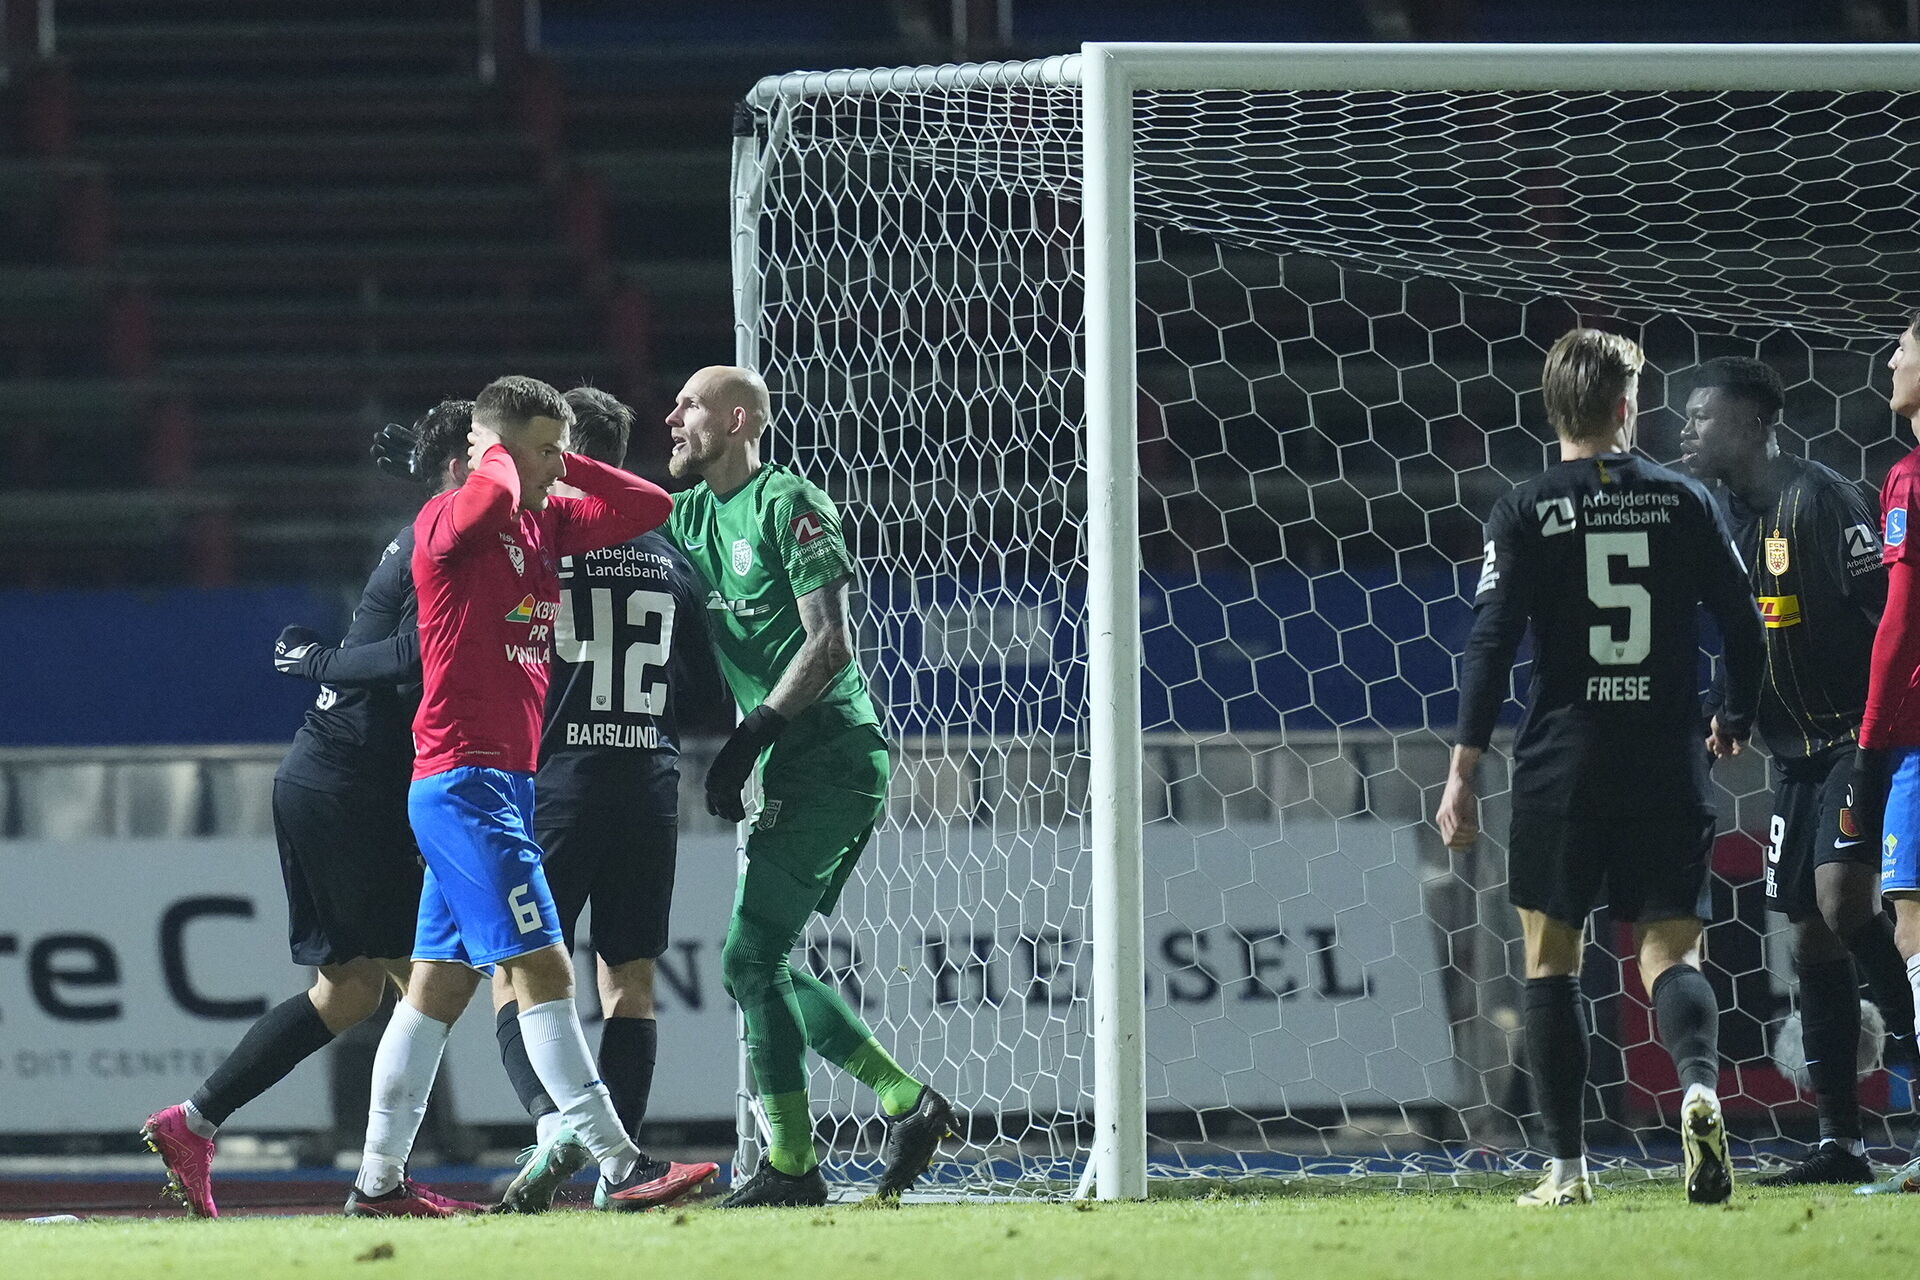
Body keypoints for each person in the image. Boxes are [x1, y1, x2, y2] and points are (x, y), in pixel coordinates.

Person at [1436, 328, 1765, 1208]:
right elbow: (1744, 623)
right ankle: (1699, 1089)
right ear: (1629, 406)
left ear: (1554, 409)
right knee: (1670, 953)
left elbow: (1493, 643)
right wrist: (1733, 714)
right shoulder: (1687, 499)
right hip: (1662, 755)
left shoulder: (1524, 507)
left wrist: (1463, 768)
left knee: (1551, 963)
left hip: (1563, 762)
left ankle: (1568, 1170)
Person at [140, 403, 486, 1219]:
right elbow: (415, 656)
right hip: (351, 783)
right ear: (463, 471)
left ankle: (191, 1124)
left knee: (352, 991)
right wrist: (327, 661)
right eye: (498, 458)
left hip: (333, 776)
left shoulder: (439, 524)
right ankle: (408, 1178)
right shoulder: (448, 535)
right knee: (440, 974)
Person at [346, 375, 674, 1217]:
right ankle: (622, 1163)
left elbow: (649, 506)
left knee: (439, 987)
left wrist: (561, 464)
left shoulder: (543, 520)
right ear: (492, 450)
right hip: (465, 783)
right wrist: (492, 453)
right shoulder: (450, 521)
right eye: (546, 447)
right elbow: (483, 498)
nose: (561, 463)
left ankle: (377, 1182)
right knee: (545, 964)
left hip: (498, 784)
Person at [662, 364, 952, 1207]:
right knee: (758, 963)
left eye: (688, 406)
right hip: (792, 758)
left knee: (751, 959)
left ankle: (798, 1163)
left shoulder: (793, 505)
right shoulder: (688, 516)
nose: (671, 417)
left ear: (740, 419)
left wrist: (749, 738)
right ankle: (899, 1104)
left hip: (830, 751)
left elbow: (830, 645)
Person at [488, 386, 725, 1211]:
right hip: (648, 782)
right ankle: (616, 1170)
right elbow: (706, 701)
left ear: (568, 454)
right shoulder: (671, 555)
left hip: (554, 783)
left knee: (516, 974)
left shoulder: (540, 541)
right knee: (629, 979)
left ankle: (555, 1128)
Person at [1679, 355, 1912, 1185]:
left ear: (1750, 424)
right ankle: (1840, 1145)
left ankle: (1915, 1072)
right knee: (1811, 933)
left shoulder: (1823, 500)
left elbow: (1888, 615)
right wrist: (1730, 705)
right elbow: (1747, 633)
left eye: (1702, 416)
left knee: (1842, 901)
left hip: (1857, 738)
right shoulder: (1726, 517)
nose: (1687, 430)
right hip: (1794, 757)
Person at [1852, 311, 1920, 1195]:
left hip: (1917, 735)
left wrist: (1870, 743)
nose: (1893, 358)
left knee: (1913, 921)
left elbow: (1903, 624)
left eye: (1907, 345)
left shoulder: (1909, 477)